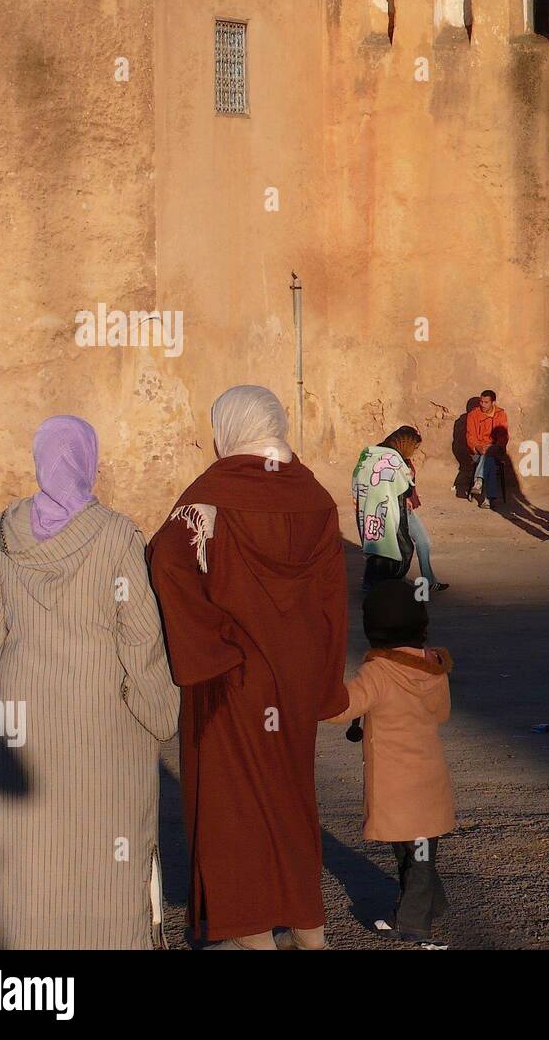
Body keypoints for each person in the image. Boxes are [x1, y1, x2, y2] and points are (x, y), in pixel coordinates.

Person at [0, 415, 180, 949]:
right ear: (90, 460)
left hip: (26, 720)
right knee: (108, 852)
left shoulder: (0, 534)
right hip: (104, 716)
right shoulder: (116, 535)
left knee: (31, 858)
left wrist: (10, 691)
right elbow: (140, 636)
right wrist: (158, 710)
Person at [148, 386, 349, 949]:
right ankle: (312, 935)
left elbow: (167, 561)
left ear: (229, 426)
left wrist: (209, 649)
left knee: (234, 812)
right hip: (296, 679)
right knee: (291, 801)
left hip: (232, 682)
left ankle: (254, 936)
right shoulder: (314, 497)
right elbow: (333, 598)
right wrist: (326, 684)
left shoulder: (210, 497)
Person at [325, 580, 455, 948]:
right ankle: (432, 905)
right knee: (419, 850)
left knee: (414, 856)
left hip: (395, 783)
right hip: (429, 777)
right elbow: (442, 714)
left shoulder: (380, 671)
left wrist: (316, 691)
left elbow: (343, 708)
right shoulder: (434, 665)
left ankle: (414, 923)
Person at [384, 426, 448, 594]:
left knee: (422, 542)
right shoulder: (390, 457)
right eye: (415, 446)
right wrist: (404, 497)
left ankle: (428, 580)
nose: (415, 451)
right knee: (400, 548)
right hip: (394, 508)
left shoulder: (402, 457)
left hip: (405, 508)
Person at [354, 428, 418, 594]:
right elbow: (406, 490)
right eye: (414, 447)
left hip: (367, 510)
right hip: (389, 511)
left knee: (375, 549)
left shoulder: (369, 454)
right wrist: (409, 476)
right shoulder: (395, 460)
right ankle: (389, 587)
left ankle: (370, 586)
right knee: (400, 549)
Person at [465, 390, 508, 508]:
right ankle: (488, 498)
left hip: (495, 449)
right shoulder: (473, 415)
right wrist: (478, 447)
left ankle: (478, 480)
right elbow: (470, 436)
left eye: (486, 402)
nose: (482, 404)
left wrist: (495, 447)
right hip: (477, 451)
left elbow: (503, 436)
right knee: (489, 459)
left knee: (489, 454)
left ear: (493, 402)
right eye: (481, 401)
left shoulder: (500, 414)